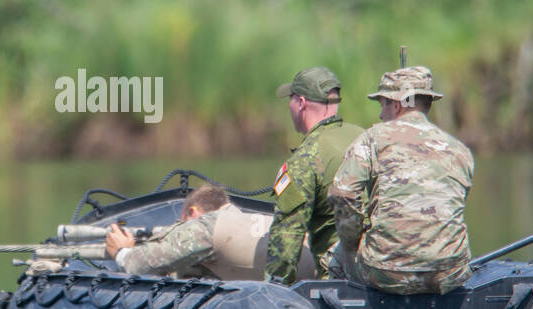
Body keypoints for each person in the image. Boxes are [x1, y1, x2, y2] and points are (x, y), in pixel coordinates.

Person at [326, 65, 474, 294]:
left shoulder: (372, 139)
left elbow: (342, 194)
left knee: (334, 257)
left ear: (396, 105)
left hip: (386, 273)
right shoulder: (460, 151)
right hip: (450, 272)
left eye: (382, 104)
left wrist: (351, 242)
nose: (380, 114)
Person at [264, 67, 364, 284]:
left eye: (290, 100)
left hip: (340, 283)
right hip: (379, 271)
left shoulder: (305, 158)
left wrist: (274, 291)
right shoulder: (364, 135)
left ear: (301, 102)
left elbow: (287, 239)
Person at [106, 185, 264, 279]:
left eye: (183, 223)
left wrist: (122, 251)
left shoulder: (206, 227)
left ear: (192, 212)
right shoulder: (246, 220)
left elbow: (139, 265)